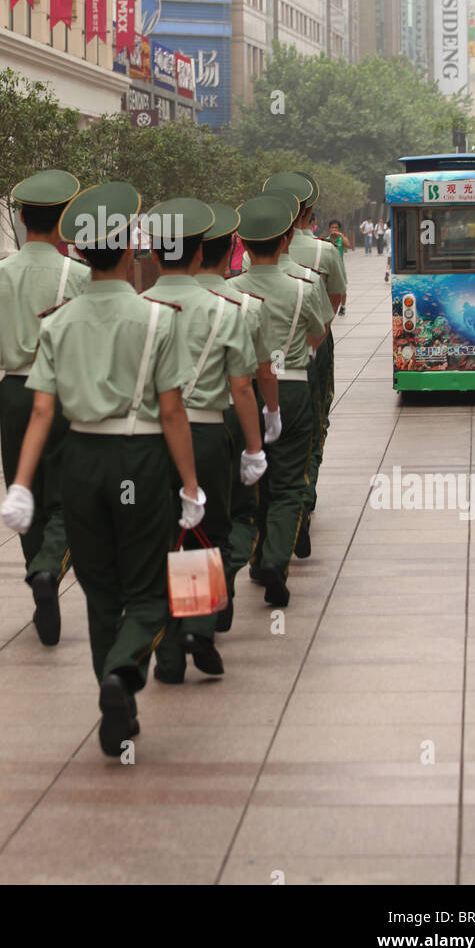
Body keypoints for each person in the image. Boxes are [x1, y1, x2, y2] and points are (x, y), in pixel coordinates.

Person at [0, 182, 204, 756]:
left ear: (82, 252)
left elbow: (43, 408)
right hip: (136, 457)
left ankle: (116, 701)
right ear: (132, 249)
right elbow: (171, 410)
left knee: (98, 591)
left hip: (80, 462)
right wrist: (189, 485)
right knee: (147, 591)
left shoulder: (57, 323)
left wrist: (21, 484)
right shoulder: (158, 320)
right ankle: (122, 673)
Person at [0, 171, 89, 646]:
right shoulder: (82, 276)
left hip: (15, 394)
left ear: (23, 219)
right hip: (67, 394)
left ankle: (38, 574)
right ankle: (49, 569)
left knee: (22, 489)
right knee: (67, 497)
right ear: (64, 219)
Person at [143, 198, 267, 683]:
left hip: (152, 436)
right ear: (199, 256)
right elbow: (242, 386)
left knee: (164, 539)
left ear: (155, 255)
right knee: (206, 536)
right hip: (210, 434)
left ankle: (169, 656)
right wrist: (254, 448)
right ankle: (198, 624)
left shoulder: (139, 307)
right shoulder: (225, 309)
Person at [230, 196, 327, 608]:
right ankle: (274, 560)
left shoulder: (231, 290)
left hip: (243, 388)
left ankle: (249, 560)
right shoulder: (304, 286)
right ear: (287, 238)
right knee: (289, 483)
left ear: (243, 244)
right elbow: (319, 332)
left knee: (253, 482)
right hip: (290, 385)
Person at [195, 204, 279, 632]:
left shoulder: (156, 303)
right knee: (242, 512)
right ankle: (225, 577)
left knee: (191, 527)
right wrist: (256, 441)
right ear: (231, 249)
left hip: (178, 426)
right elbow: (250, 379)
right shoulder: (246, 305)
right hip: (228, 418)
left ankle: (194, 625)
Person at [270, 172, 346, 557]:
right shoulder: (324, 251)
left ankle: (275, 514)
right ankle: (303, 495)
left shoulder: (257, 247)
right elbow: (336, 300)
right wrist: (314, 331)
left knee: (270, 432)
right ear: (310, 212)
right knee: (313, 422)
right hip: (313, 348)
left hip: (264, 355)